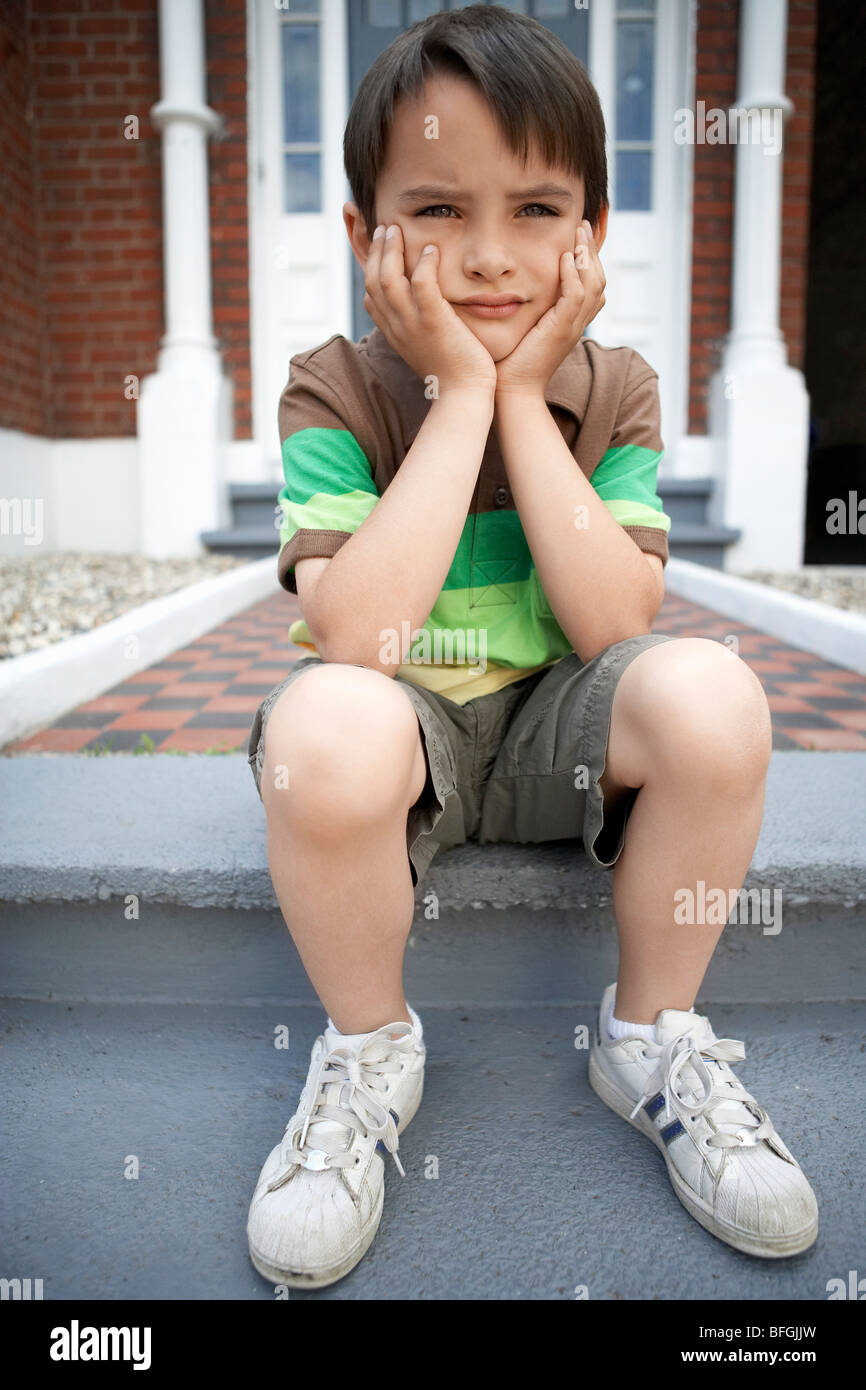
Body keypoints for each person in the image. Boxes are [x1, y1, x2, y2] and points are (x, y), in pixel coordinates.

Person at [244, 4, 818, 1289]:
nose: (489, 258)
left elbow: (616, 624)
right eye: (437, 211)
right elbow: (355, 636)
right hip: (404, 742)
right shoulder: (331, 387)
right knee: (319, 722)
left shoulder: (612, 390)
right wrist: (459, 393)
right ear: (362, 235)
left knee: (713, 692)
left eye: (537, 211)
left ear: (593, 236)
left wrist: (523, 396)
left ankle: (647, 1037)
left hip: (564, 726)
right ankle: (367, 1050)